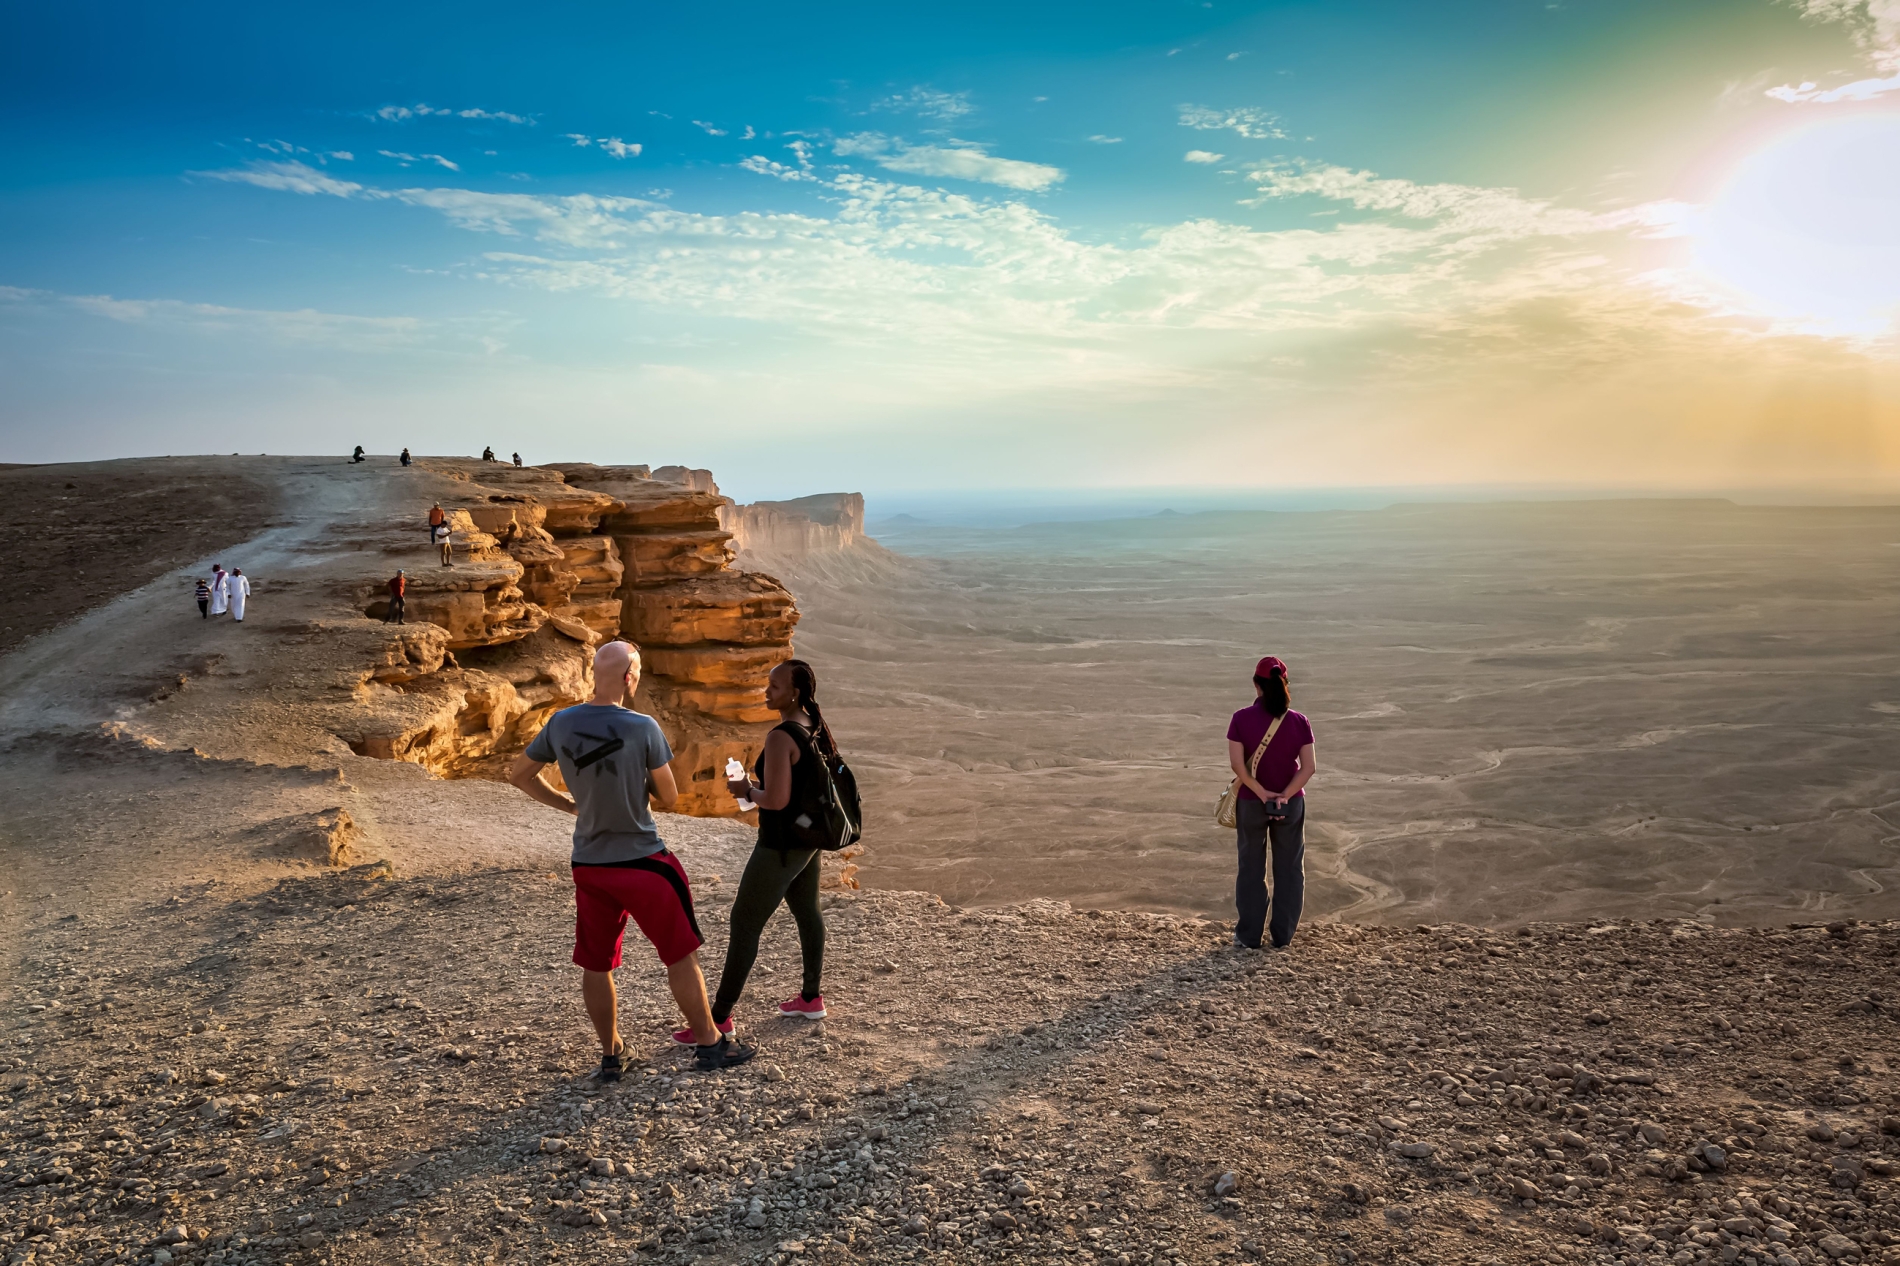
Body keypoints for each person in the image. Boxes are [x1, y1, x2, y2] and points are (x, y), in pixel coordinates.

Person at [509, 641, 754, 1076]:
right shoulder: (642, 726)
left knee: (596, 962)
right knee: (680, 955)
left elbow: (519, 775)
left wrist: (570, 805)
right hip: (644, 862)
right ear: (629, 678)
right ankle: (710, 1044)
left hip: (589, 864)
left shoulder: (561, 722)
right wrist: (637, 776)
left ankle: (612, 1053)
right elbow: (669, 795)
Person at [707, 659, 837, 1042]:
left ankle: (718, 1018)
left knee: (744, 922)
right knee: (807, 912)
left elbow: (776, 800)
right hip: (808, 840)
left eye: (775, 686)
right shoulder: (814, 726)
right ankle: (811, 998)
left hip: (780, 845)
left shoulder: (781, 736)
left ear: (794, 693)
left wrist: (745, 790)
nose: (767, 691)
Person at [1226, 656, 1317, 951]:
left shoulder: (1240, 719)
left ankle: (1249, 937)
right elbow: (1309, 767)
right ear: (1284, 684)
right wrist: (1285, 796)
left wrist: (1261, 792)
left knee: (1251, 868)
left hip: (1251, 802)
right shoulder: (1299, 721)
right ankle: (1283, 936)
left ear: (1256, 685)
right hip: (1291, 804)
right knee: (1290, 869)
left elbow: (1237, 765)